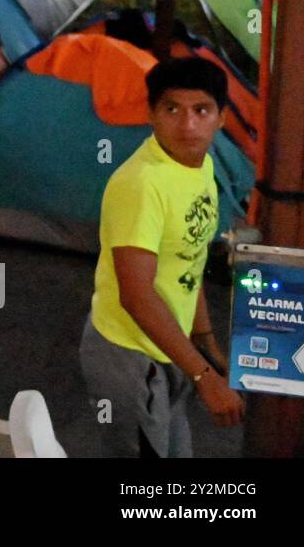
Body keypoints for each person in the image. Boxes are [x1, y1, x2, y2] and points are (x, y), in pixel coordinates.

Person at [79, 57, 245, 457]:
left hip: (170, 347)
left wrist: (204, 341)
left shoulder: (199, 167)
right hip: (130, 356)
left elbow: (190, 259)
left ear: (221, 118)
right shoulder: (141, 184)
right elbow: (136, 295)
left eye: (201, 110)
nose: (187, 125)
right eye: (172, 109)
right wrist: (204, 377)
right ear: (151, 114)